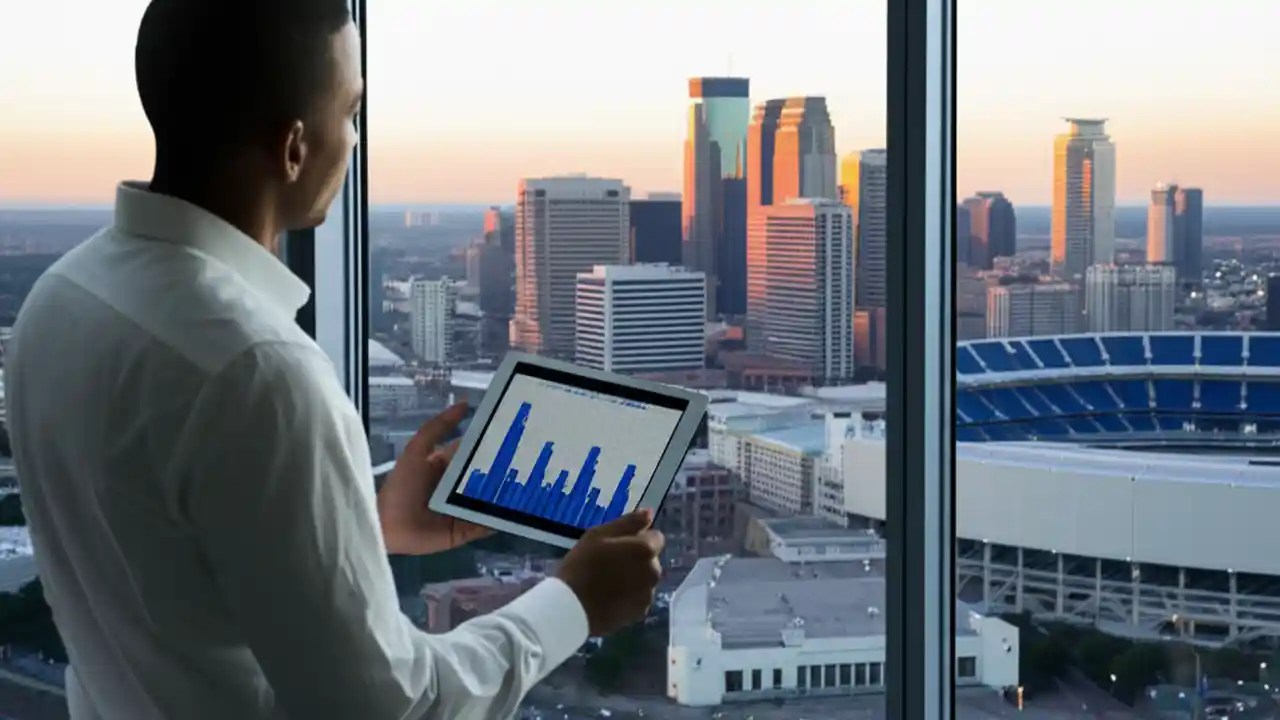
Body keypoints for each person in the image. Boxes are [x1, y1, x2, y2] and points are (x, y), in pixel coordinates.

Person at [6, 1, 665, 718]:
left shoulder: (61, 299)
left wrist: (364, 528)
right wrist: (573, 602)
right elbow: (392, 707)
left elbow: (167, 563)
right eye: (351, 112)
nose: (354, 138)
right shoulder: (261, 372)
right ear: (293, 148)